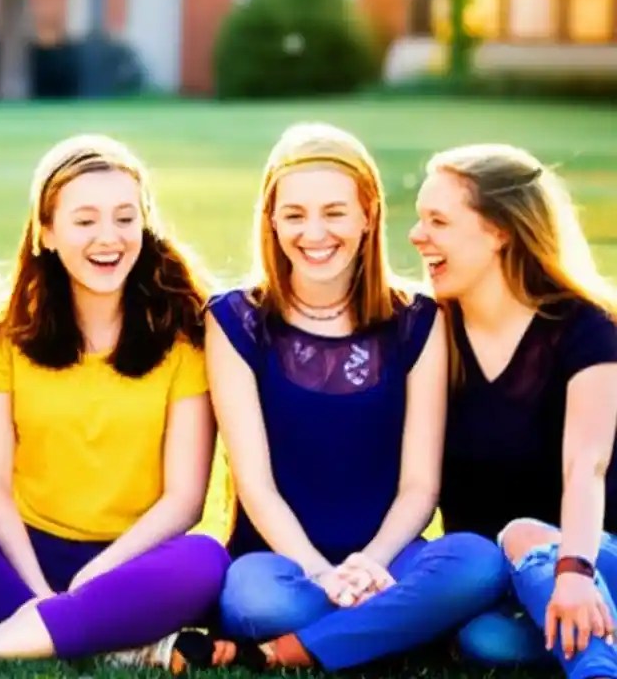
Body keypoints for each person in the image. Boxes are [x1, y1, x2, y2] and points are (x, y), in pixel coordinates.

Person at [0, 134, 231, 677]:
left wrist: (93, 580)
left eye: (124, 218)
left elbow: (184, 499)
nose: (108, 238)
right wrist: (41, 590)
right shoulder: (6, 331)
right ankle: (100, 638)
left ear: (145, 224)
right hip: (25, 556)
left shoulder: (183, 333)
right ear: (46, 233)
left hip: (132, 561)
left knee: (205, 560)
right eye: (85, 221)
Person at [206, 122, 508, 671]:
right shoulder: (235, 320)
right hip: (280, 565)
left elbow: (420, 485)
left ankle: (321, 639)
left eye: (334, 212)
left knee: (479, 561)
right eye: (294, 214)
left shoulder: (418, 320)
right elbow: (255, 484)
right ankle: (397, 624)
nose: (314, 232)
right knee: (257, 602)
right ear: (270, 220)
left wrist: (371, 563)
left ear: (368, 214)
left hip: (391, 556)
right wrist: (322, 572)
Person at [410, 144, 617, 679]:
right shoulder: (431, 331)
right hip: (498, 581)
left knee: (523, 532)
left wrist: (573, 570)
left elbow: (586, 466)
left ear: (501, 231)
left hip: (593, 556)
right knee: (485, 641)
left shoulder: (587, 328)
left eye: (438, 221)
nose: (416, 236)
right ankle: (599, 632)